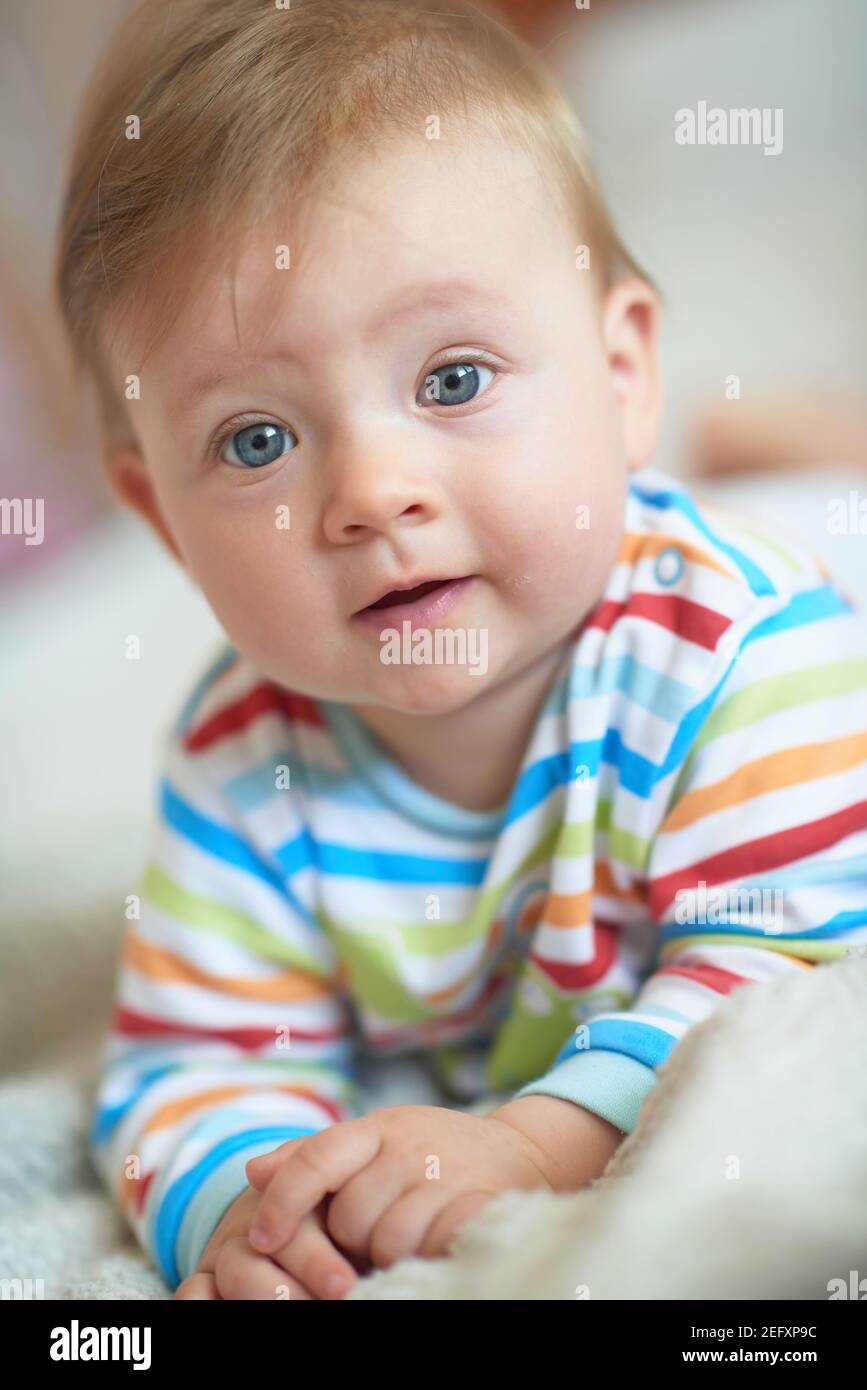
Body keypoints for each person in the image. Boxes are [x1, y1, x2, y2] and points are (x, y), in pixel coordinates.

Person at [55, 0, 867, 1299]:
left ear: (620, 374)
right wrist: (251, 1215)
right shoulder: (240, 761)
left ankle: (787, 437)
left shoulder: (750, 645)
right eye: (257, 440)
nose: (374, 491)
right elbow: (194, 1061)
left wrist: (527, 1140)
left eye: (452, 379)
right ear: (161, 516)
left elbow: (784, 960)